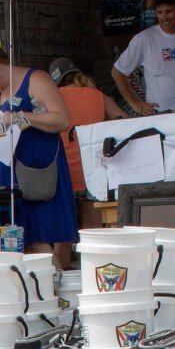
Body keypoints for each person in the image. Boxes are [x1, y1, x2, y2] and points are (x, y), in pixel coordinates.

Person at [0, 42, 78, 268]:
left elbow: (62, 119)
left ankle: (53, 285)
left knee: (40, 242)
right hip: (3, 178)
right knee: (12, 243)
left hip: (34, 171)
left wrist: (22, 117)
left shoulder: (35, 80)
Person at [48, 57, 127, 234]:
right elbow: (123, 123)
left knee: (62, 237)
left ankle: (63, 262)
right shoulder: (98, 96)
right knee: (93, 232)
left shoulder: (53, 99)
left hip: (63, 173)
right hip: (92, 174)